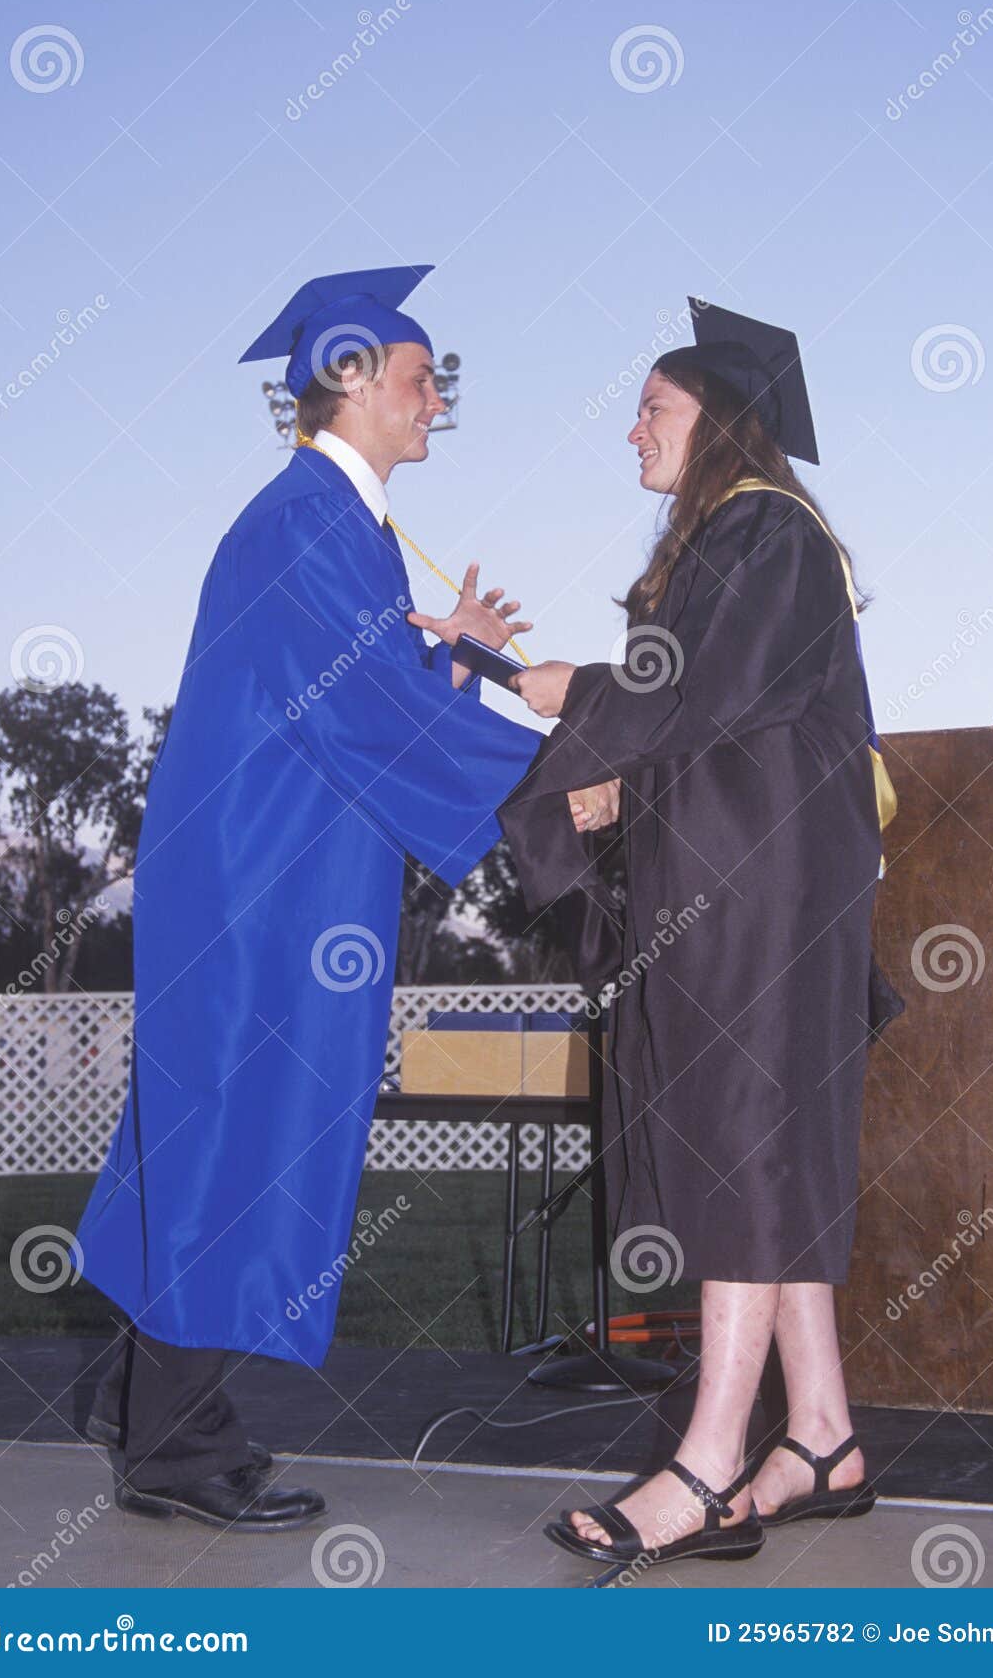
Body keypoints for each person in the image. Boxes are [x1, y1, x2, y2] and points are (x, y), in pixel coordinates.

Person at [76, 265, 543, 1531]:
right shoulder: (305, 518)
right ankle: (172, 1441)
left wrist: (444, 648)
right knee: (239, 1121)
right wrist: (548, 754)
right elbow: (358, 704)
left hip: (280, 858)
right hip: (264, 874)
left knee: (217, 1121)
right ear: (348, 382)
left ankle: (135, 1399)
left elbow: (361, 674)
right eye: (416, 377)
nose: (435, 398)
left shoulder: (338, 526)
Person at [502, 298, 902, 1574]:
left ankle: (709, 1463)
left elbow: (692, 688)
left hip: (763, 888)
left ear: (721, 423)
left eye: (655, 409)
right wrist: (616, 774)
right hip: (753, 870)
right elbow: (723, 715)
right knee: (766, 1141)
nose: (631, 432)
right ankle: (824, 1434)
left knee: (742, 1142)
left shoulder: (766, 530)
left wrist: (561, 690)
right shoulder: (747, 540)